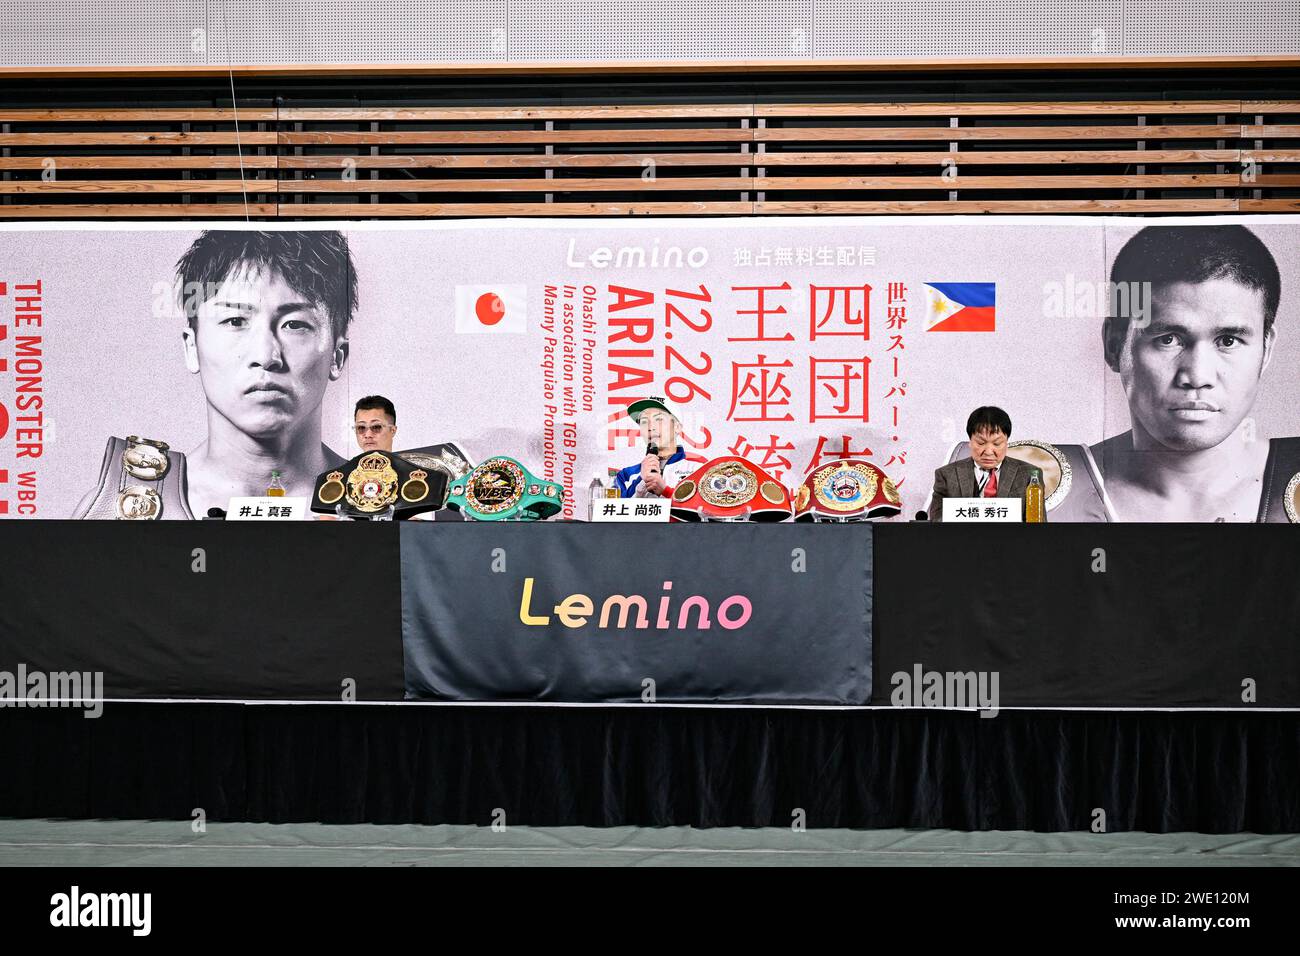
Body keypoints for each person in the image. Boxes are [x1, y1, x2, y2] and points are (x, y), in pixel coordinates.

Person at [73, 230, 356, 519]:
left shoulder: (385, 508)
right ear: (192, 347)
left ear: (337, 354)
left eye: (294, 324)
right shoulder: (117, 507)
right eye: (235, 321)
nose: (265, 356)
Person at [1049, 225, 1296, 522]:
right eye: (1168, 339)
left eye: (1228, 341)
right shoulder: (1045, 486)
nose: (1197, 376)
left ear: (1266, 349)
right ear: (1115, 344)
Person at [928, 406, 1046, 522]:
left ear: (1006, 443)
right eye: (980, 443)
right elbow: (937, 523)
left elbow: (1038, 527)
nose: (989, 452)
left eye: (997, 443)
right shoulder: (947, 475)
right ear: (970, 442)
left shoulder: (1028, 475)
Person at [614, 397, 694, 498]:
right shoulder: (626, 475)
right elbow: (612, 511)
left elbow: (706, 511)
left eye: (659, 419)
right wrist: (641, 480)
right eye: (644, 422)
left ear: (677, 427)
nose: (650, 427)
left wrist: (665, 491)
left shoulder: (696, 470)